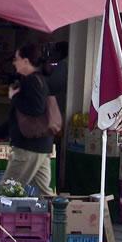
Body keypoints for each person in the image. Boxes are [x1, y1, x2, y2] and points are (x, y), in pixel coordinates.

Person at [0, 44, 55, 197]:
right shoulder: (39, 80)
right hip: (41, 146)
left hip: (28, 147)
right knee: (44, 193)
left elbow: (35, 109)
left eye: (17, 59)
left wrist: (14, 98)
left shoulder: (31, 81)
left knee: (6, 190)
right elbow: (20, 117)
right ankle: (60, 218)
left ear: (26, 61)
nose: (14, 63)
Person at [44, 41, 69, 190]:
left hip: (57, 112)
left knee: (55, 147)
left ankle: (57, 180)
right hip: (59, 111)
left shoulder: (63, 66)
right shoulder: (63, 65)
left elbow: (53, 85)